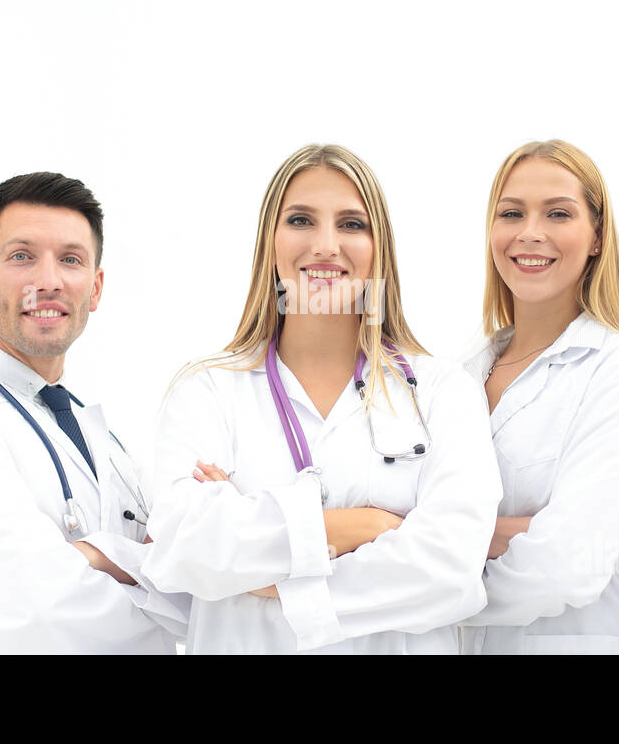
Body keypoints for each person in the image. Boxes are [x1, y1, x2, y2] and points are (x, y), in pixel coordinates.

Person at [141, 144, 502, 653]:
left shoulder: (443, 393)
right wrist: (368, 526)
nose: (326, 245)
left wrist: (260, 572)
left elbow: (451, 567)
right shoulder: (206, 391)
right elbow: (185, 546)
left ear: (381, 248)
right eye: (301, 220)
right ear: (270, 242)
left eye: (352, 224)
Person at [0, 172, 185, 654]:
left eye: (70, 260)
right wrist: (154, 581)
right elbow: (43, 608)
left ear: (95, 288)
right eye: (22, 256)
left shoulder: (101, 437)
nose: (48, 282)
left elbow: (188, 571)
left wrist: (101, 558)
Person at [457, 140, 619, 655]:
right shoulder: (459, 374)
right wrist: (517, 532)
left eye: (558, 213)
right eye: (512, 213)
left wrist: (427, 572)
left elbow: (570, 562)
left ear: (596, 237)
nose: (531, 232)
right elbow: (396, 515)